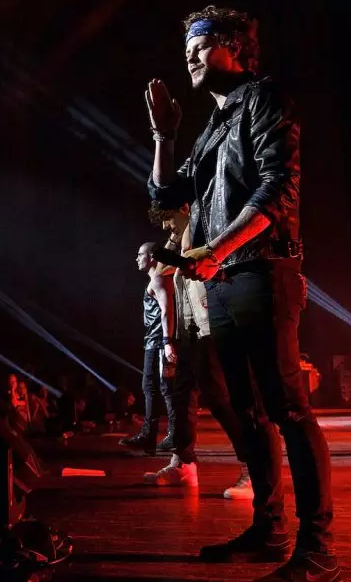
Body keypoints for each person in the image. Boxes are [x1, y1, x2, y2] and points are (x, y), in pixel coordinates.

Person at [145, 5, 336, 580]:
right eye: (186, 49)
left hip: (260, 273)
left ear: (234, 46)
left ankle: (318, 549)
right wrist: (165, 134)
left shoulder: (264, 98)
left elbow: (278, 190)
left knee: (288, 408)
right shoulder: (210, 126)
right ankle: (269, 531)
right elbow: (164, 197)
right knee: (246, 413)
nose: (190, 57)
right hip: (222, 281)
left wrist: (216, 251)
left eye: (199, 45)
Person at [149, 199, 253, 498]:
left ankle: (252, 467)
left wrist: (182, 229)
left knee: (219, 399)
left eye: (168, 220)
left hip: (211, 328)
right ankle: (183, 463)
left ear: (183, 210)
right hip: (189, 331)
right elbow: (159, 270)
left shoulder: (206, 231)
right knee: (182, 398)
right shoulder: (179, 242)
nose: (165, 227)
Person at [119, 242, 181, 464]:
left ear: (152, 257)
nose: (136, 258)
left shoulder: (158, 279)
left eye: (140, 254)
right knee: (161, 388)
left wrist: (167, 342)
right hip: (154, 341)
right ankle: (167, 435)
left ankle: (152, 435)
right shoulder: (157, 278)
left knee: (154, 387)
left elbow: (167, 310)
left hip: (157, 342)